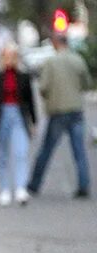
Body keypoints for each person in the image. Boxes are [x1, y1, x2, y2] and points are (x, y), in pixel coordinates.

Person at [26, 33, 92, 199]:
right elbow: (87, 83)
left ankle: (34, 183)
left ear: (56, 43)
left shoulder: (51, 62)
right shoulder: (78, 60)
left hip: (58, 110)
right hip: (76, 109)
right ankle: (83, 185)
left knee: (47, 149)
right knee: (79, 150)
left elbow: (43, 87)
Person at [0, 43, 37, 206]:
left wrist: (34, 121)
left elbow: (30, 100)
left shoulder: (23, 76)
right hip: (1, 114)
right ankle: (4, 189)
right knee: (2, 153)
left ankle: (21, 188)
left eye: (12, 55)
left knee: (21, 151)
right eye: (6, 55)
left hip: (18, 115)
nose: (9, 59)